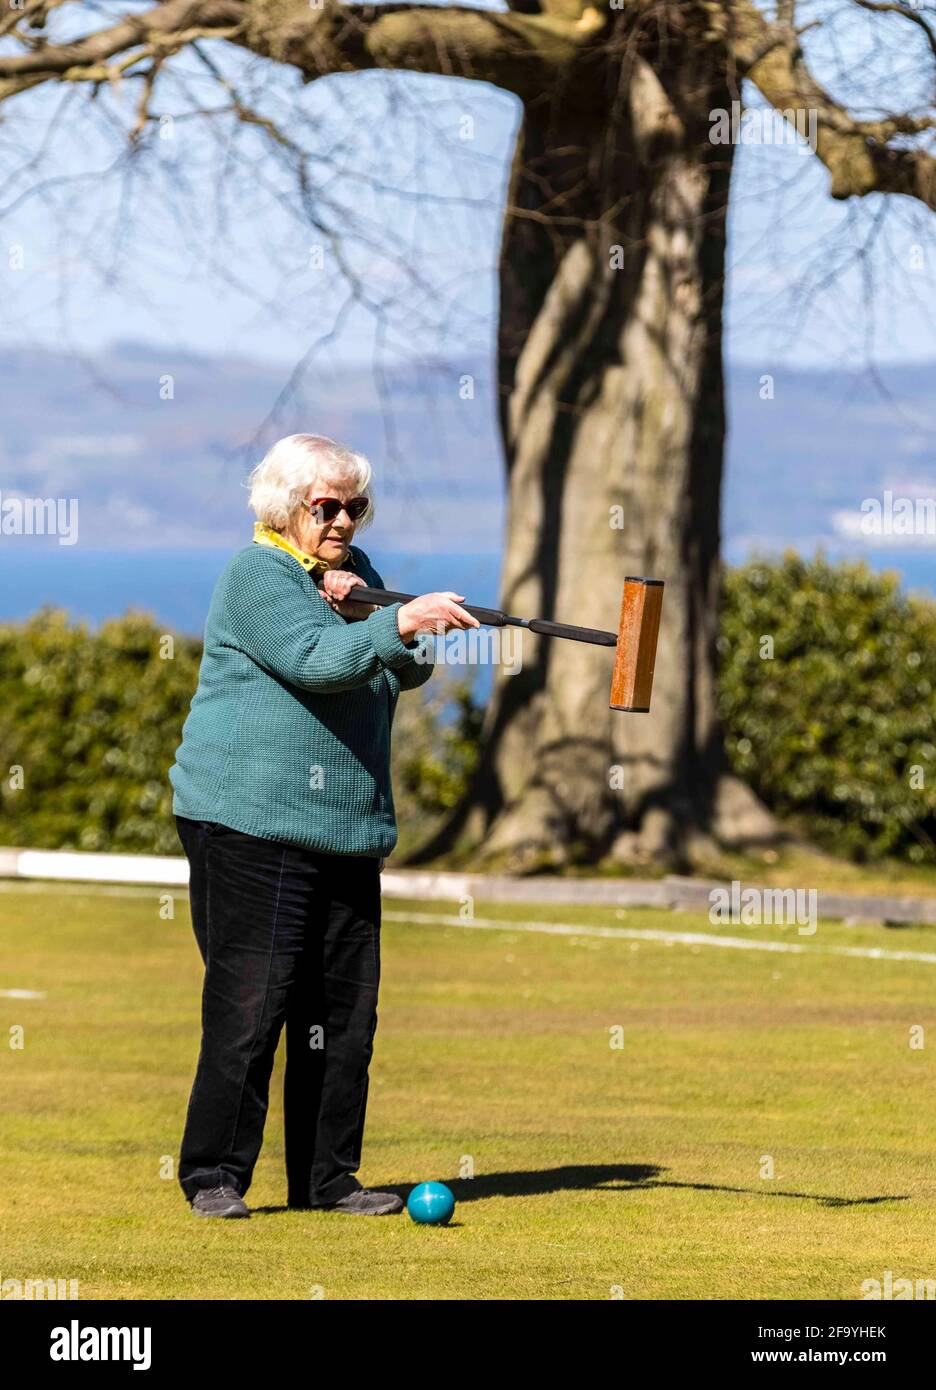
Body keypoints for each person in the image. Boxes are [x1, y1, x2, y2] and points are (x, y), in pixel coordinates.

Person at [168, 432, 478, 1217]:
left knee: (343, 1017)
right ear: (286, 508)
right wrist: (396, 623)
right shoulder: (258, 574)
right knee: (252, 1005)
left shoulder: (354, 572)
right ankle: (213, 1176)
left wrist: (401, 625)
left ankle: (327, 1180)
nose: (343, 521)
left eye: (356, 506)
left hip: (345, 830)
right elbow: (316, 662)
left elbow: (401, 669)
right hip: (250, 824)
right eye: (327, 506)